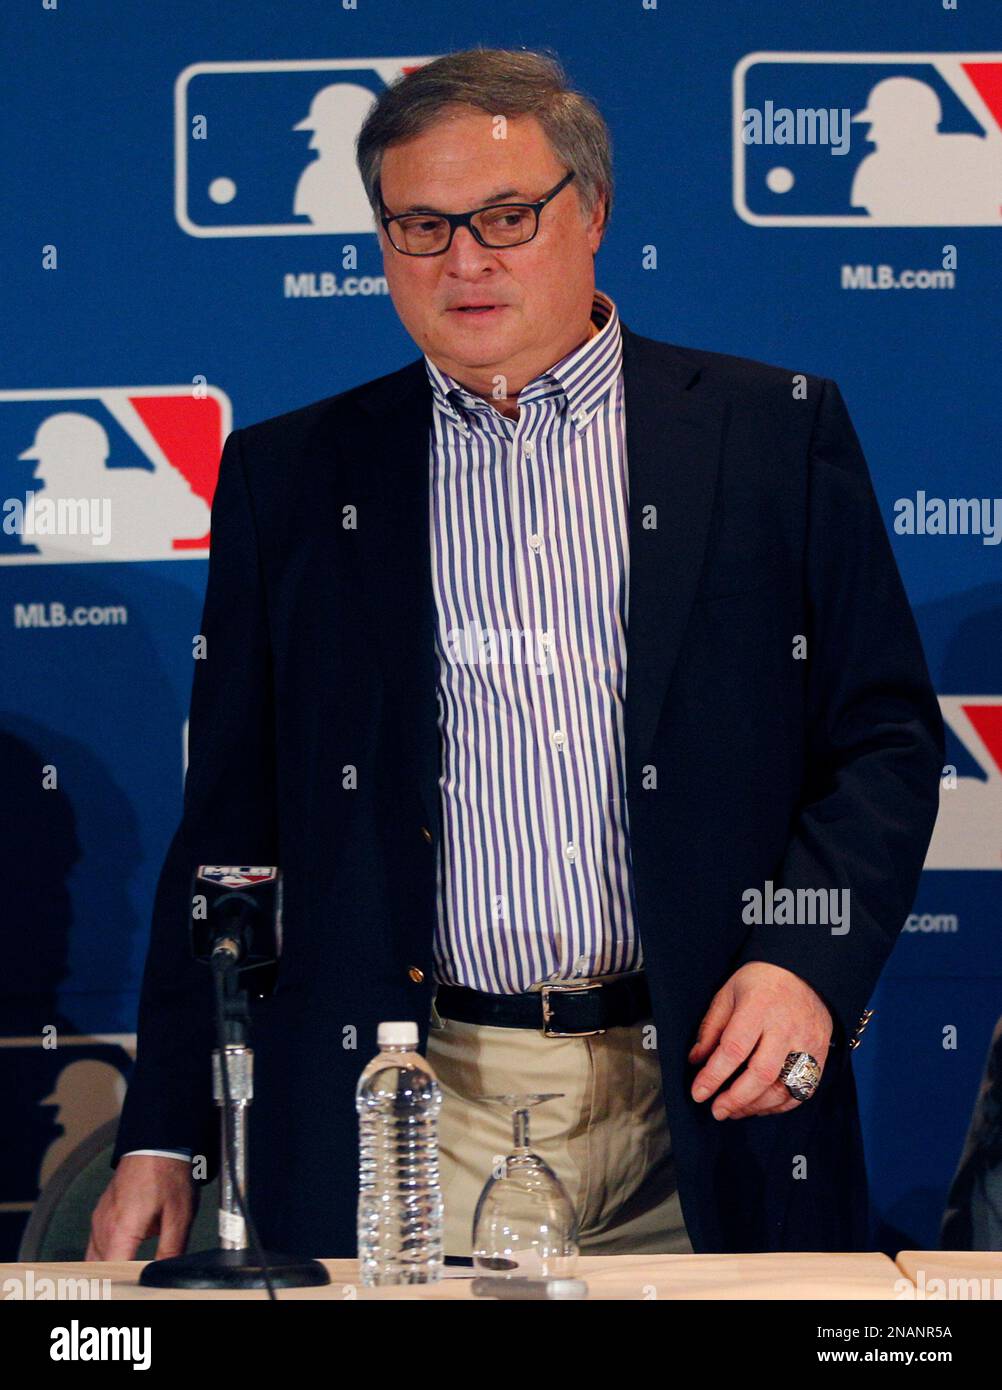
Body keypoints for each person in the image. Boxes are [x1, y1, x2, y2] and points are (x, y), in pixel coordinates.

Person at [88, 47, 943, 1263]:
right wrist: (164, 1132)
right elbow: (229, 829)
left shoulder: (769, 433)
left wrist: (807, 960)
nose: (464, 259)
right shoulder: (294, 478)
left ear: (589, 211)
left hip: (707, 1090)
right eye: (420, 226)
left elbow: (887, 741)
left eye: (504, 215)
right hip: (409, 1105)